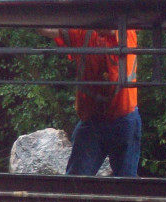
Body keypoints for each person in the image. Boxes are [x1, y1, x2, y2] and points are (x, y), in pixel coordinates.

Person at [37, 28, 141, 177]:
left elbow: (112, 30)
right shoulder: (84, 33)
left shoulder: (126, 30)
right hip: (93, 121)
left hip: (123, 119)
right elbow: (46, 29)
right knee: (75, 181)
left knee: (126, 183)